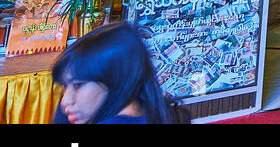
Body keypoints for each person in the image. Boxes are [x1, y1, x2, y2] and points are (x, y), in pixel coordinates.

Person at [53, 22, 188, 124]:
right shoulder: (162, 114)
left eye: (78, 85)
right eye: (65, 87)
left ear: (114, 79)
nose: (66, 101)